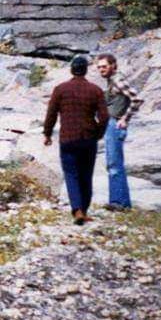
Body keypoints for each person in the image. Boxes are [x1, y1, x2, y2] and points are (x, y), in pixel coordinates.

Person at [44, 55, 109, 224]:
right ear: (86, 70)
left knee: (71, 174)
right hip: (88, 138)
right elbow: (104, 116)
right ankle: (84, 210)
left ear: (71, 70)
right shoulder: (95, 90)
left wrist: (47, 134)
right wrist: (99, 133)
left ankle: (77, 209)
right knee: (86, 175)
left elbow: (51, 114)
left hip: (68, 138)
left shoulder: (60, 89)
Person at [95, 53, 142, 210]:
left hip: (115, 125)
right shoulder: (111, 81)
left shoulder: (118, 80)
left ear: (113, 65)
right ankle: (120, 202)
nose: (101, 69)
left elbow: (136, 99)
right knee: (113, 163)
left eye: (104, 66)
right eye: (99, 67)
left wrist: (125, 119)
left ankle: (119, 203)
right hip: (111, 124)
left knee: (114, 164)